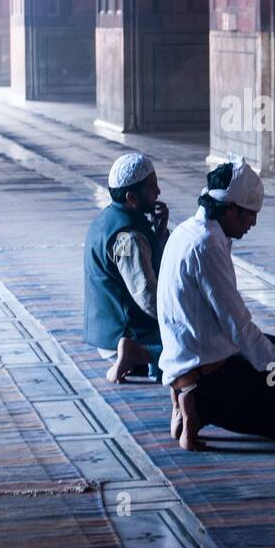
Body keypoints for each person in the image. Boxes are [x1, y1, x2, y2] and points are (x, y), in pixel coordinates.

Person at [156, 156, 275, 451]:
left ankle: (189, 392)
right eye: (249, 214)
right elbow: (240, 328)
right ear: (230, 208)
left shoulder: (189, 231)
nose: (253, 222)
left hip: (207, 355)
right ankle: (199, 404)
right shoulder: (205, 245)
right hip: (212, 374)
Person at [84, 153, 170, 383]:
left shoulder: (110, 218)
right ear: (132, 197)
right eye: (152, 187)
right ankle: (140, 355)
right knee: (204, 347)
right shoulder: (129, 238)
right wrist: (182, 317)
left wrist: (159, 233)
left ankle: (138, 356)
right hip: (127, 336)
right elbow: (147, 296)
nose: (158, 192)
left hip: (110, 333)